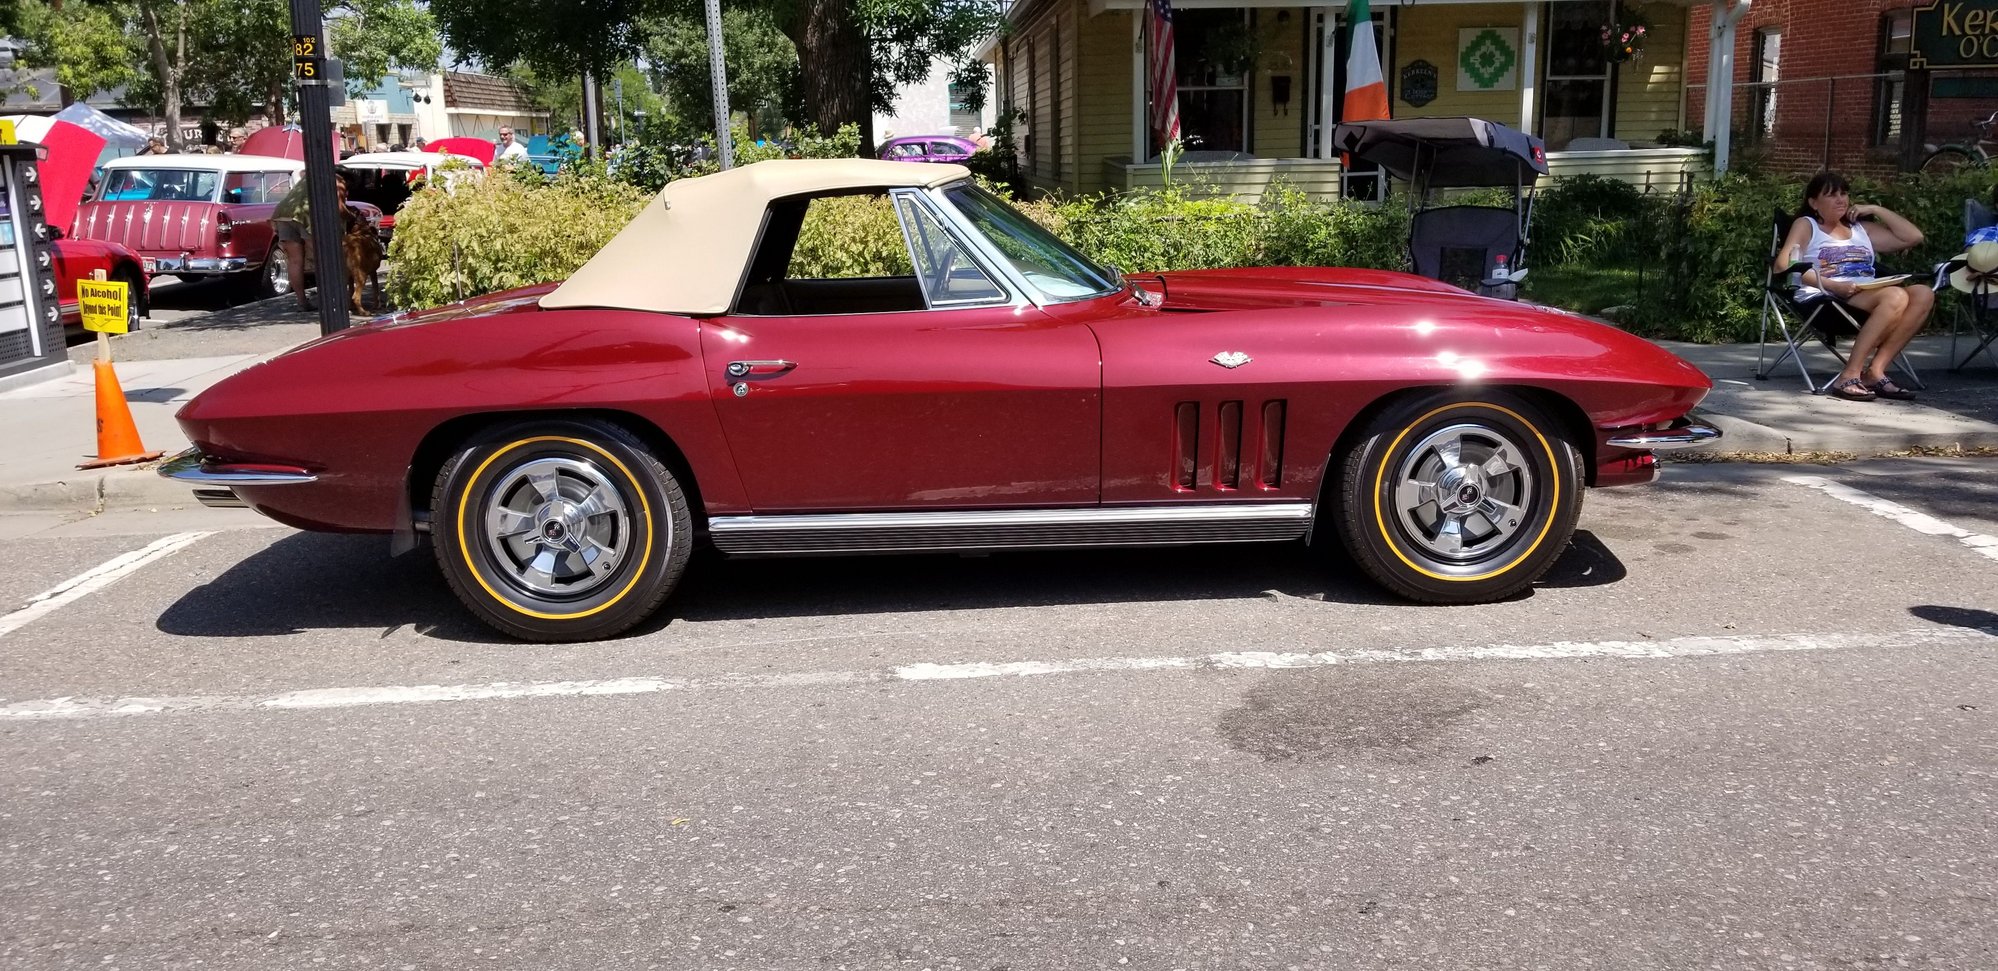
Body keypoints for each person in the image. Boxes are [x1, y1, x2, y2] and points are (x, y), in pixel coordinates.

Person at [1774, 171, 1931, 401]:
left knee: (1923, 293)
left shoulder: (1860, 229)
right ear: (1814, 203)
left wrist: (1876, 210)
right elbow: (1782, 264)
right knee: (1895, 297)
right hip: (1826, 298)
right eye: (1831, 195)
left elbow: (1913, 237)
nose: (1841, 200)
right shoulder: (1807, 225)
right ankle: (1848, 376)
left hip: (1869, 294)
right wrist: (1832, 285)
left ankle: (1875, 372)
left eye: (1844, 193)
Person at [270, 175, 350, 311]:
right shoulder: (338, 180)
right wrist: (351, 216)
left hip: (283, 212)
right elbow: (340, 208)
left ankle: (302, 302)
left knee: (294, 260)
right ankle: (332, 300)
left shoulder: (309, 176)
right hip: (305, 214)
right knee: (324, 257)